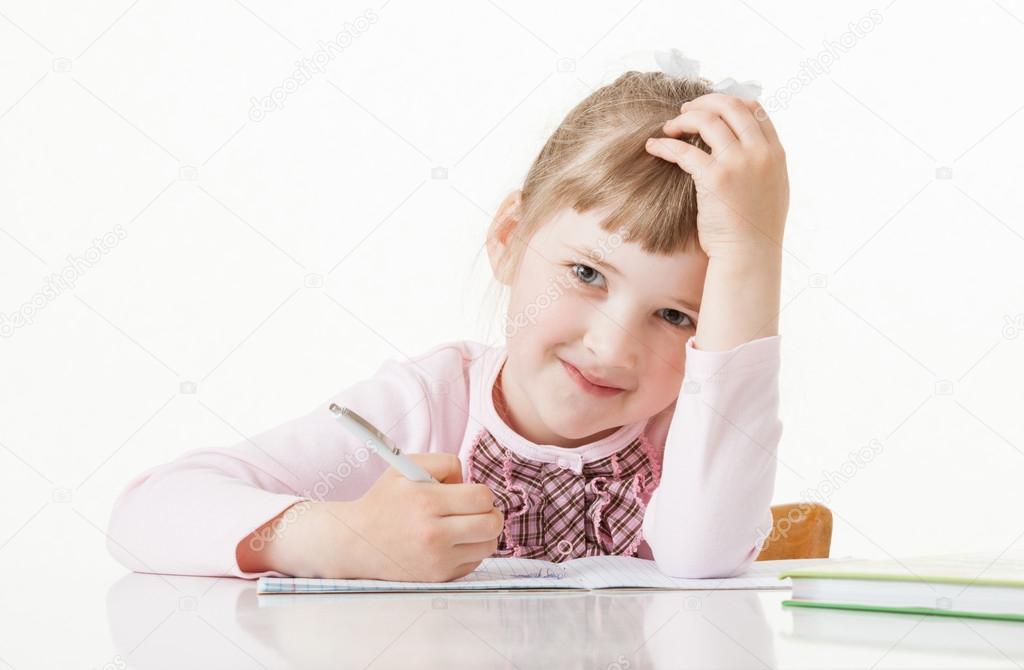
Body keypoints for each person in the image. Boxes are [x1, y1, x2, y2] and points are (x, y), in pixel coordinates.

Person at [106, 51, 789, 582]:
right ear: (508, 239)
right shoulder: (429, 405)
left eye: (675, 315)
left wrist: (750, 255)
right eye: (586, 274)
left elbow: (701, 555)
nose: (612, 348)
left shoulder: (694, 434)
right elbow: (148, 512)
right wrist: (344, 539)